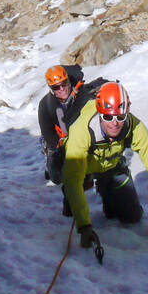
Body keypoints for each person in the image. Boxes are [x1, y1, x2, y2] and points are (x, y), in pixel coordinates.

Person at [62, 80, 148, 248]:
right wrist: (84, 227)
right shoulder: (82, 130)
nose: (115, 123)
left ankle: (107, 192)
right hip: (83, 167)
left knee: (132, 216)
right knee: (72, 186)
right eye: (107, 117)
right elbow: (72, 178)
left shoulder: (134, 126)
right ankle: (73, 195)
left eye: (120, 117)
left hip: (112, 165)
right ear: (100, 113)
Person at [37, 64, 103, 215]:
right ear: (50, 89)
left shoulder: (83, 93)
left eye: (63, 84)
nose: (61, 89)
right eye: (56, 87)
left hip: (88, 140)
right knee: (62, 175)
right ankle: (72, 199)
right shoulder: (45, 106)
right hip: (64, 145)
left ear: (68, 81)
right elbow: (48, 134)